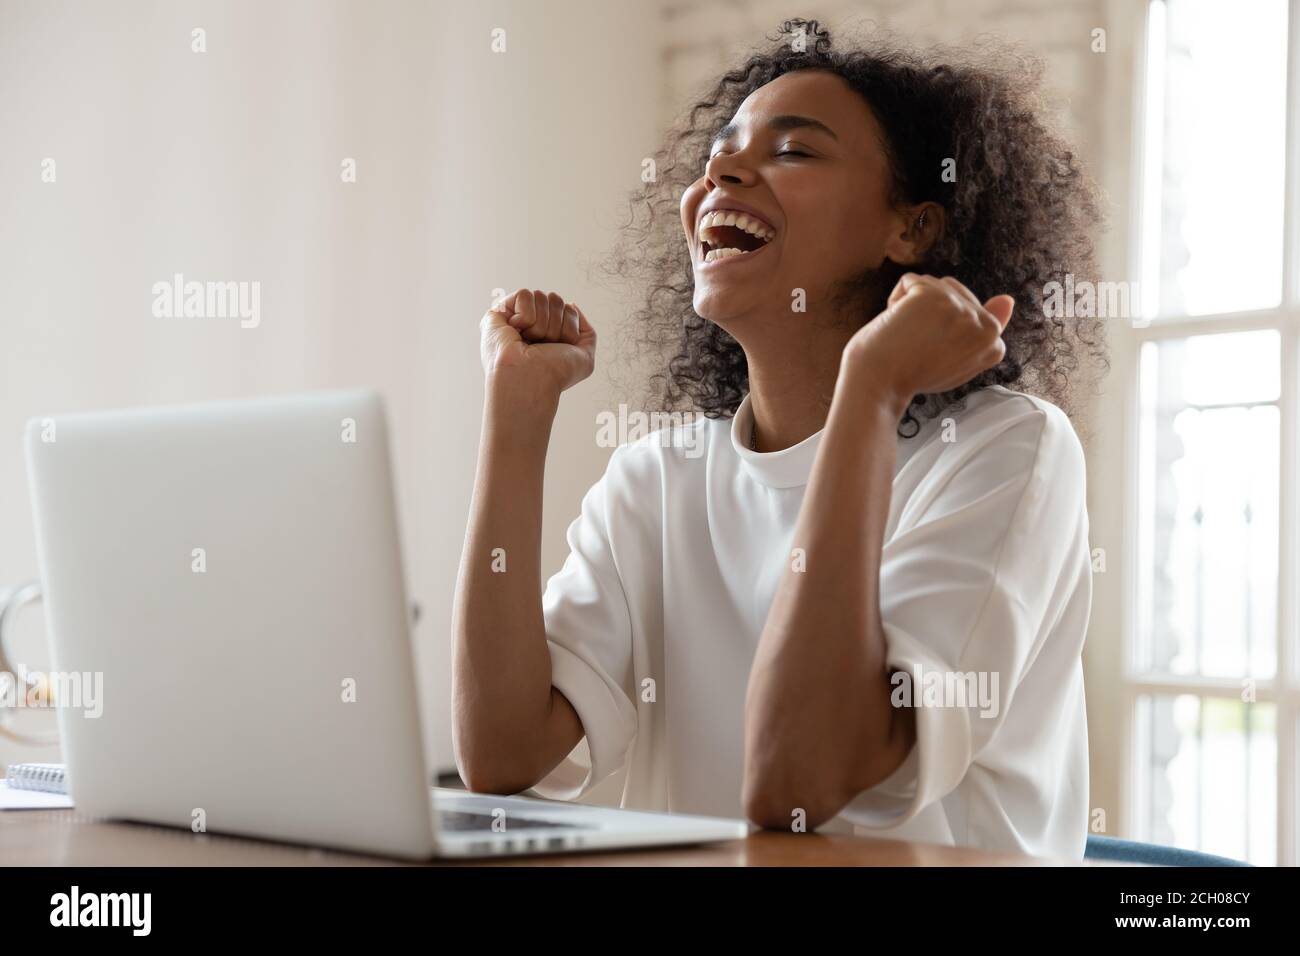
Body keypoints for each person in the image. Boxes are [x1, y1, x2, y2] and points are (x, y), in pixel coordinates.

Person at [452, 20, 1106, 858]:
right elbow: (500, 757)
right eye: (720, 152)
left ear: (909, 232)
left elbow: (797, 782)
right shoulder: (658, 477)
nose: (720, 171)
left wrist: (870, 389)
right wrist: (516, 417)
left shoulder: (1007, 450)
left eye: (793, 152)